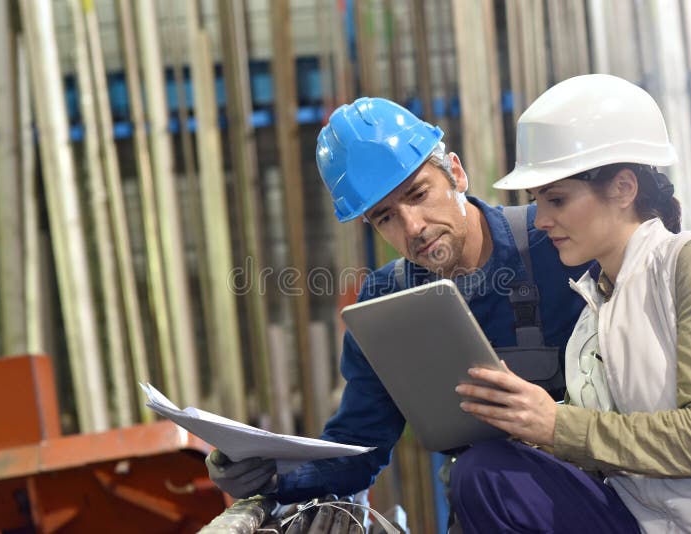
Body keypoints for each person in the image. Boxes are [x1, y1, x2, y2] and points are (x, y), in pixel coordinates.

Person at [206, 97, 590, 503]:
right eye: (385, 217)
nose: (413, 227)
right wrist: (273, 475)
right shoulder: (386, 300)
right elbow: (359, 447)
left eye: (418, 194)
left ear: (456, 173)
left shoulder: (555, 240)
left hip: (595, 491)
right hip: (488, 503)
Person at [451, 73, 691, 533]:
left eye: (557, 199)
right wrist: (523, 424)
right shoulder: (593, 316)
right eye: (537, 201)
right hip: (649, 524)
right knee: (485, 472)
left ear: (623, 188)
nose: (541, 220)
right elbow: (605, 452)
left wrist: (558, 425)